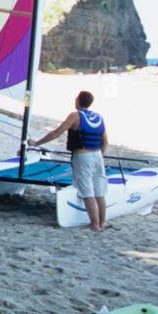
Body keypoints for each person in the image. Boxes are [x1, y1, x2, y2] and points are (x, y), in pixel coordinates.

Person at [28, 90, 109, 231]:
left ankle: (95, 225)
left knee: (87, 191)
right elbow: (105, 142)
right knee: (99, 192)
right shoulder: (99, 117)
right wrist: (99, 154)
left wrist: (37, 143)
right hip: (98, 156)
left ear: (78, 101)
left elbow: (57, 132)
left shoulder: (75, 116)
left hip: (83, 156)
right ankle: (102, 223)